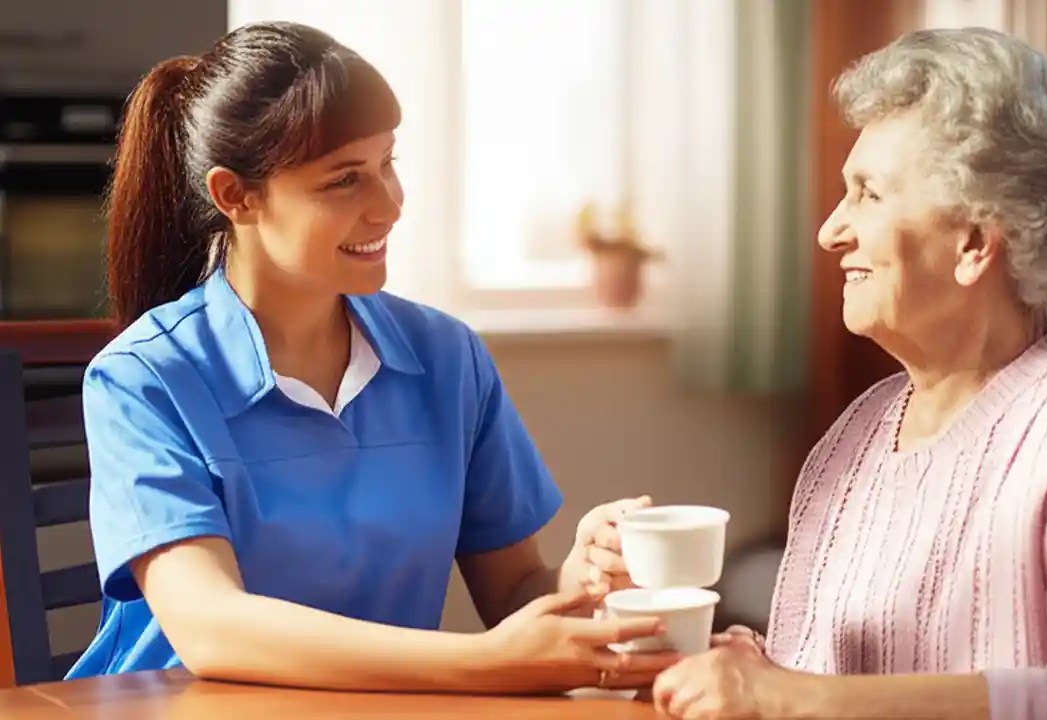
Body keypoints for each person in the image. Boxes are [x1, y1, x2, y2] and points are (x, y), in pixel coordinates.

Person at [67, 21, 672, 694]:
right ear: (236, 196)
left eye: (388, 163)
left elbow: (515, 593)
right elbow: (212, 627)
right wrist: (488, 662)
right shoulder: (143, 379)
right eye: (345, 180)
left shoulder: (447, 360)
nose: (389, 205)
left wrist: (584, 578)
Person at [652, 27, 1047, 719]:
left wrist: (797, 695)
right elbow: (818, 687)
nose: (830, 230)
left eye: (868, 195)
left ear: (973, 242)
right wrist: (749, 669)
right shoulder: (858, 435)